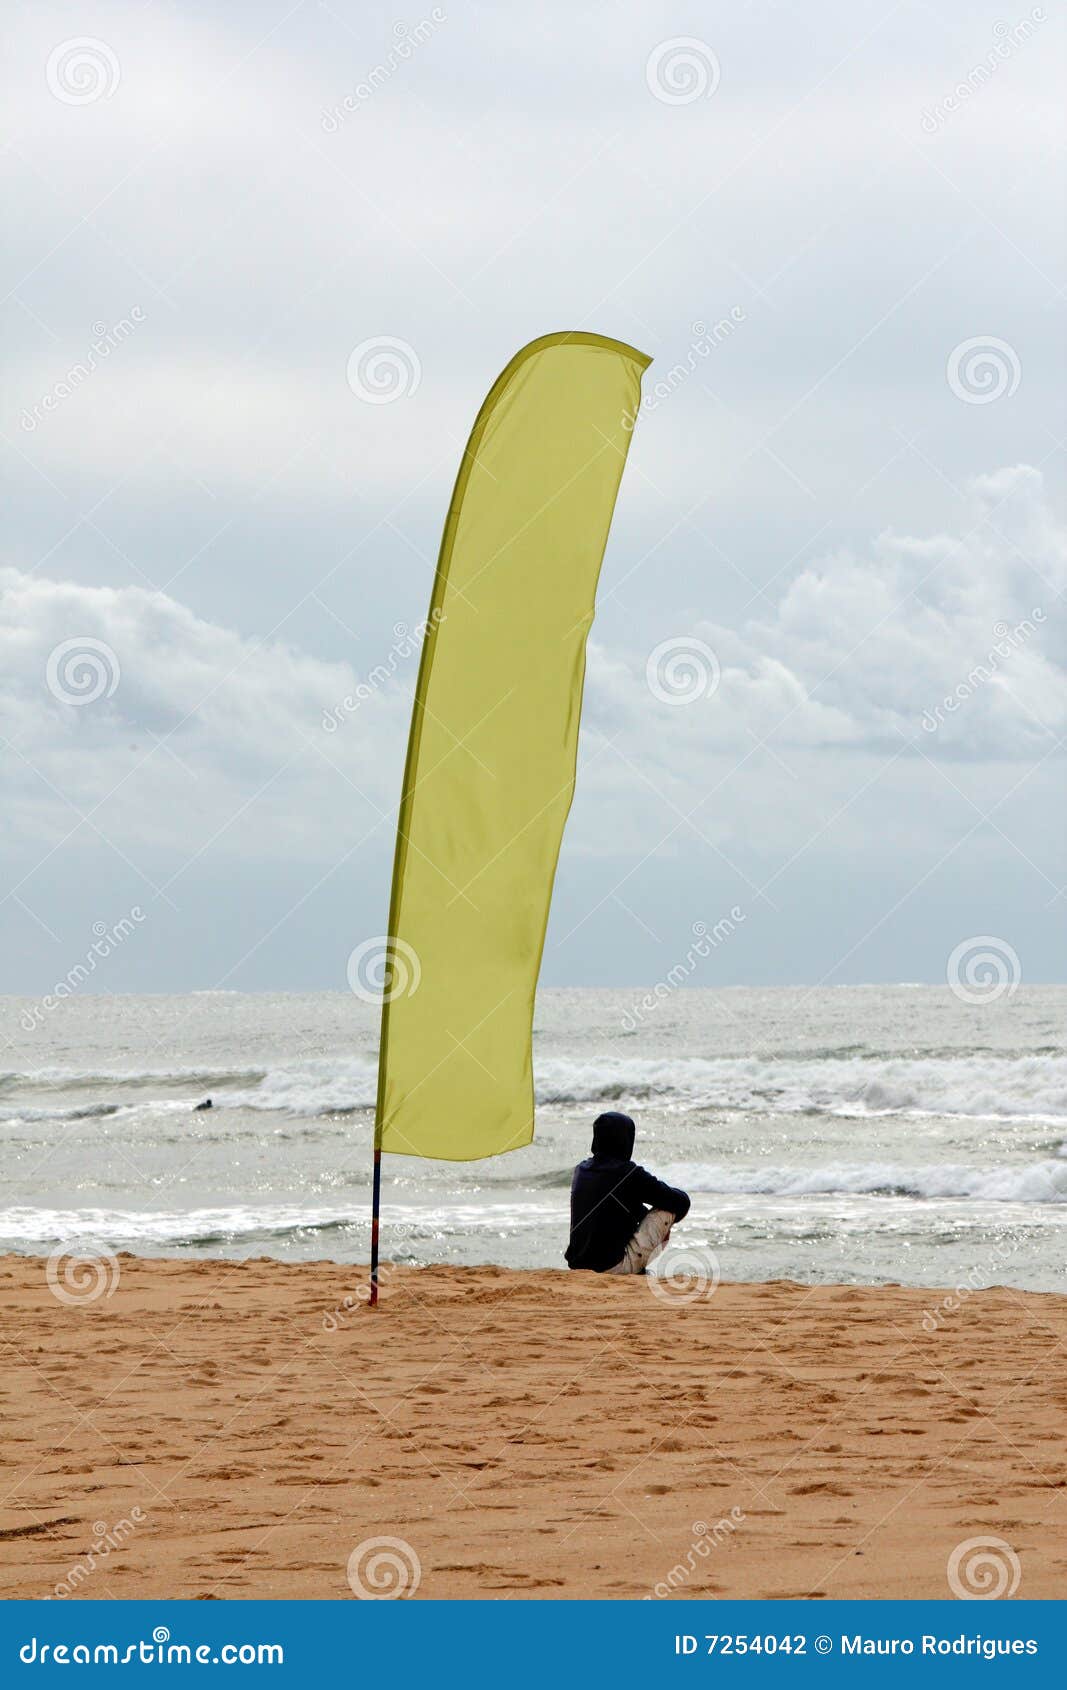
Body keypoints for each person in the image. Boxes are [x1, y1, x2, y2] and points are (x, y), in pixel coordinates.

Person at [565, 1110, 690, 1275]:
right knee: (667, 1209)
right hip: (611, 1267)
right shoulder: (628, 1173)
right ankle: (637, 1268)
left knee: (623, 1207)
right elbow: (680, 1202)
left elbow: (621, 1205)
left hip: (578, 1265)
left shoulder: (581, 1169)